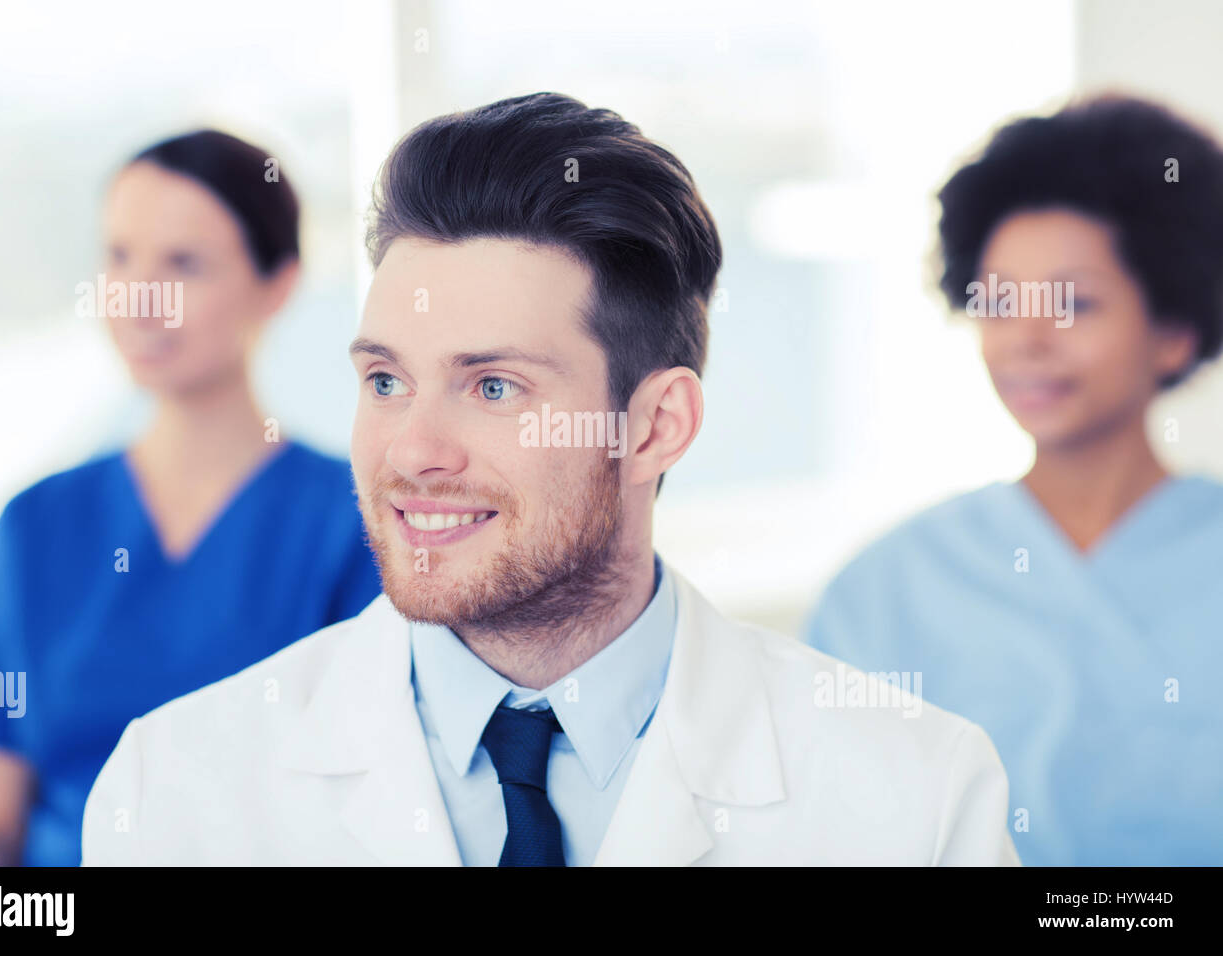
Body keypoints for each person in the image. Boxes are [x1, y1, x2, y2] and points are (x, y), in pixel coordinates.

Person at [82, 94, 1018, 866]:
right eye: (386, 382)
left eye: (493, 387)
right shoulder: (175, 791)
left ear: (656, 425)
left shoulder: (919, 802)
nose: (413, 452)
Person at [0, 129, 382, 867]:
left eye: (184, 264)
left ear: (280, 282)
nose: (140, 299)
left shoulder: (352, 526)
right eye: (119, 256)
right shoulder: (38, 528)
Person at [807, 95, 1223, 866]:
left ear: (1173, 333)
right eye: (1000, 303)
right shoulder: (886, 590)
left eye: (1073, 303)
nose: (1027, 341)